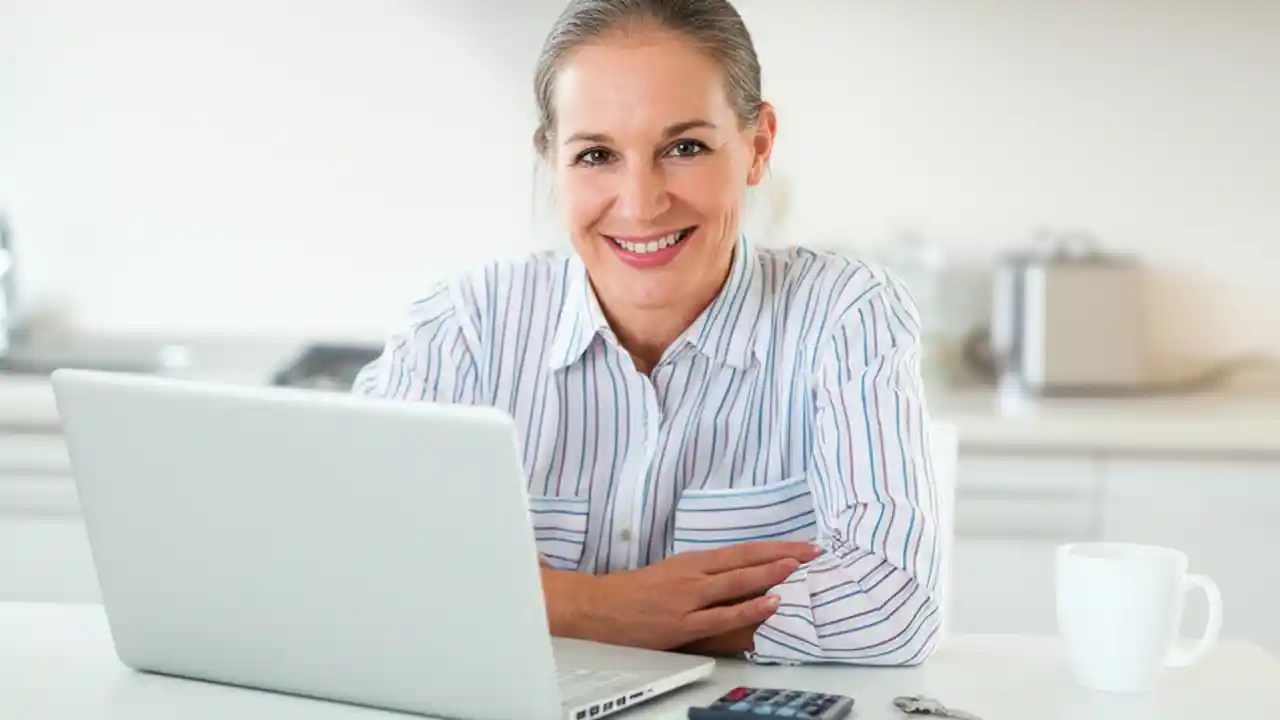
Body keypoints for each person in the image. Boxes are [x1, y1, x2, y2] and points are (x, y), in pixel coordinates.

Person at [354, 0, 942, 666]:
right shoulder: (461, 327)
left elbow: (894, 604)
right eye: (597, 154)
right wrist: (602, 609)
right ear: (552, 159)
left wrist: (540, 605)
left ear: (758, 145)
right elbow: (363, 569)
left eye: (685, 147)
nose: (640, 204)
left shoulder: (844, 313)